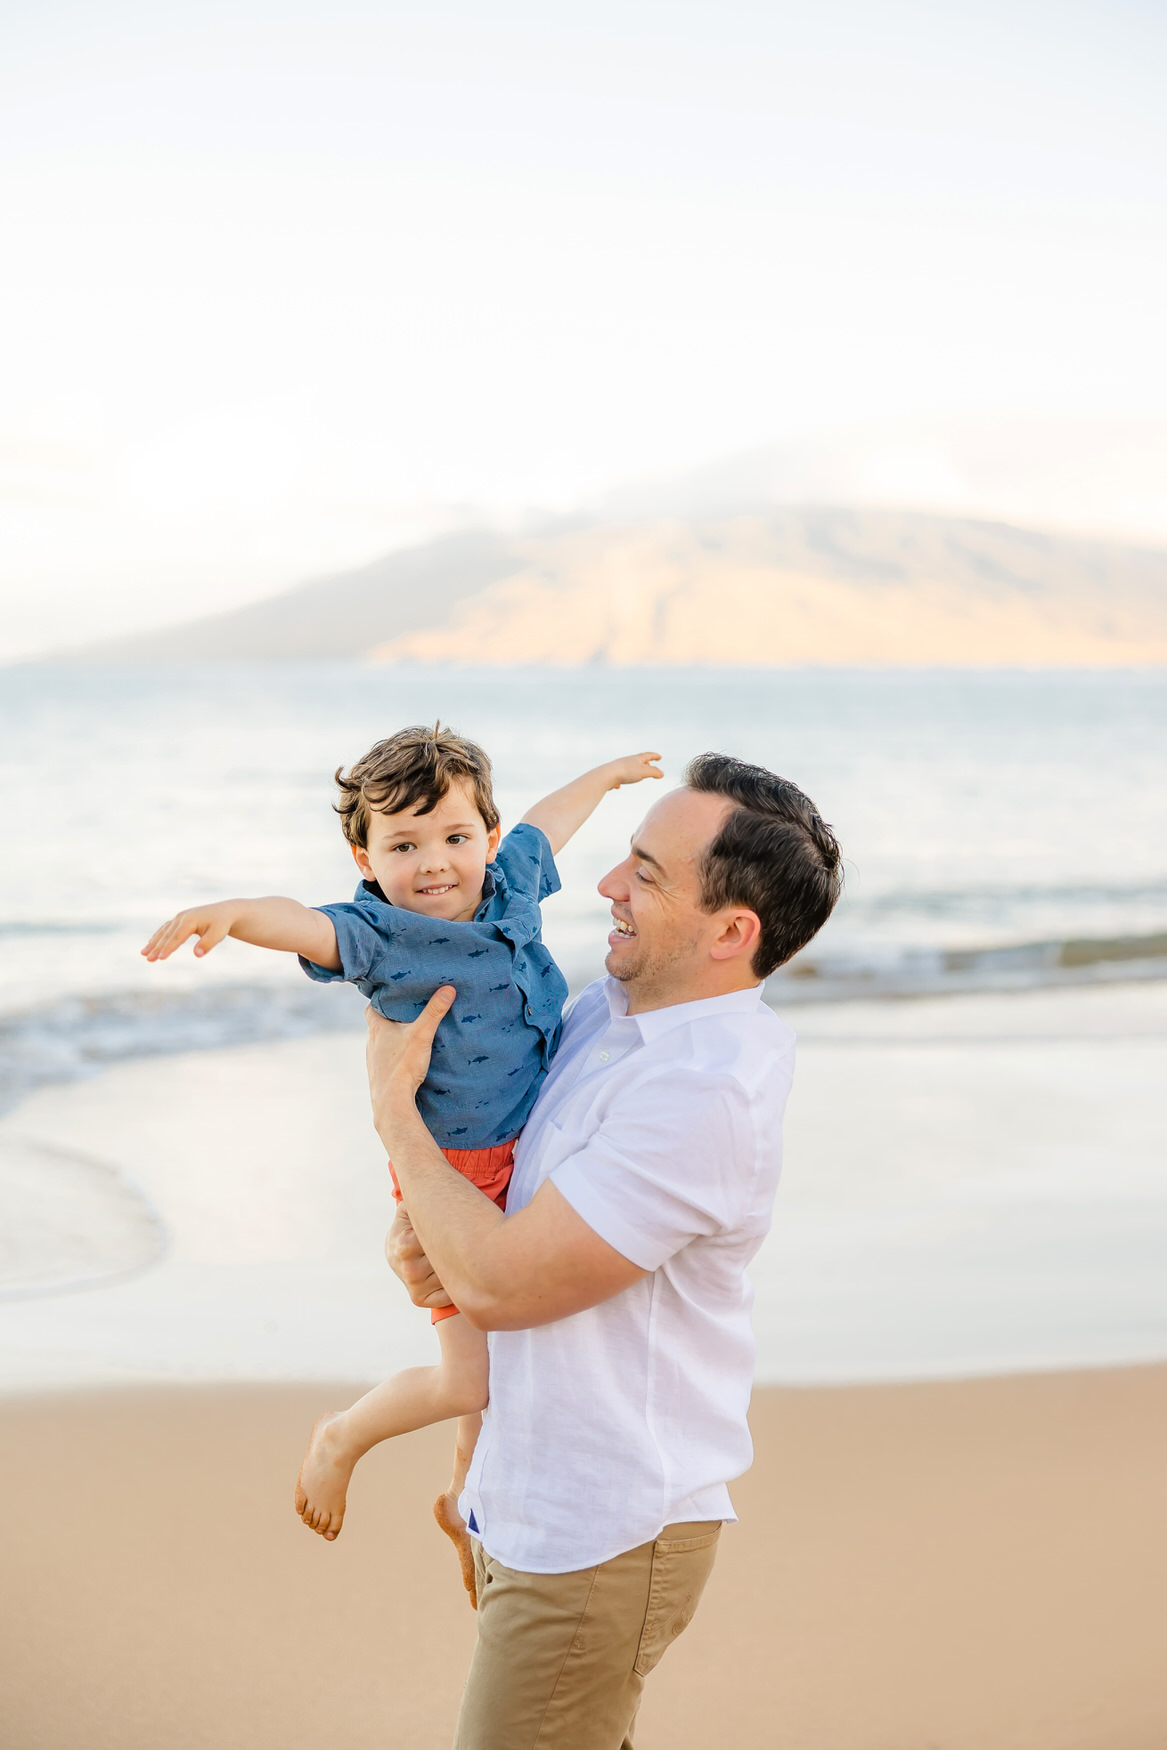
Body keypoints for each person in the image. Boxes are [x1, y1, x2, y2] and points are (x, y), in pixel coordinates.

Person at [373, 752, 842, 1750]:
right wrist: (427, 1246)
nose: (605, 886)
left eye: (646, 873)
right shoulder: (608, 1011)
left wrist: (396, 1122)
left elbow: (500, 1282)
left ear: (731, 932)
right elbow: (492, 1226)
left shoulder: (705, 1093)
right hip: (529, 1490)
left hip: (601, 1531)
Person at [141, 723, 662, 1576]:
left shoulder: (510, 883)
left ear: (486, 841)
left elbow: (547, 822)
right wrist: (235, 914)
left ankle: (464, 1499)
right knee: (470, 1380)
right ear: (364, 856)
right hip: (449, 1170)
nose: (434, 864)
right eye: (404, 843)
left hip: (529, 1152)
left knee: (501, 1363)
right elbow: (301, 923)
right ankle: (343, 1436)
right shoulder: (378, 933)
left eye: (455, 837)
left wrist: (602, 778)